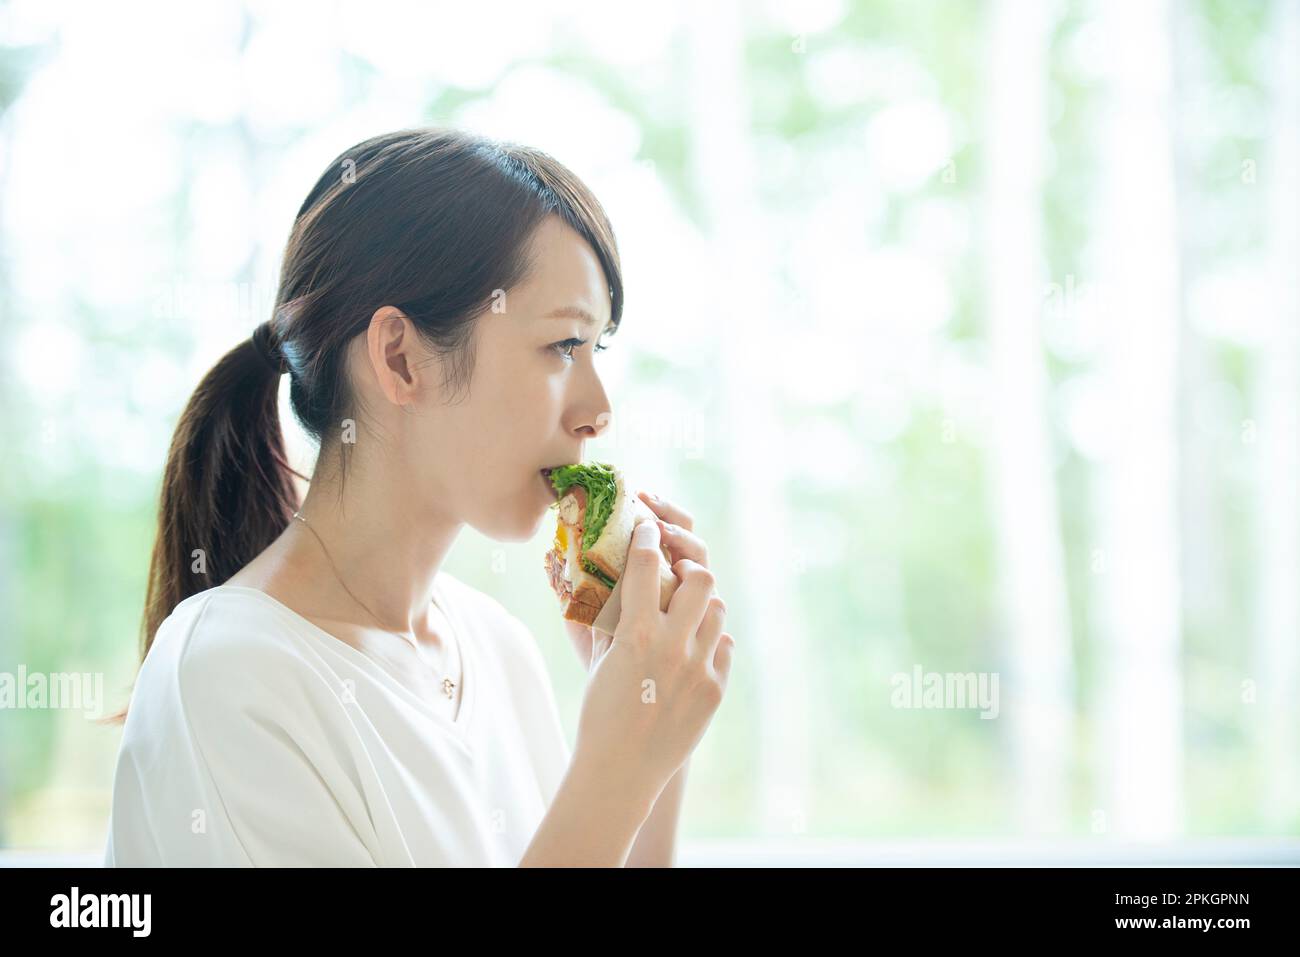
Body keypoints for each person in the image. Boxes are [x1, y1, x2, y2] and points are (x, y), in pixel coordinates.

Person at [101, 127, 734, 867]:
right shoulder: (225, 678)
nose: (598, 407)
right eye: (563, 346)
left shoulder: (499, 650)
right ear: (400, 358)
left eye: (598, 351)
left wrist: (657, 746)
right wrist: (617, 766)